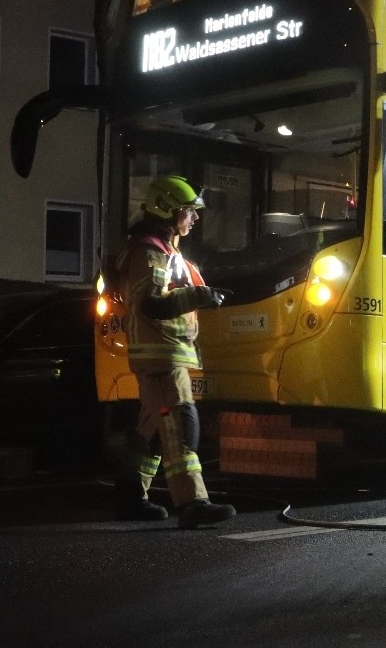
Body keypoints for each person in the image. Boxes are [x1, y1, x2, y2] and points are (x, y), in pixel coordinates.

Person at [112, 175, 235, 529]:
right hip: (161, 357)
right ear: (167, 210)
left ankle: (130, 497)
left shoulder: (163, 249)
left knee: (151, 431)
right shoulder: (150, 251)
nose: (194, 218)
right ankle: (193, 503)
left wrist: (202, 295)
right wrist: (198, 296)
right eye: (188, 211)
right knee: (180, 424)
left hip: (163, 354)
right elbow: (151, 303)